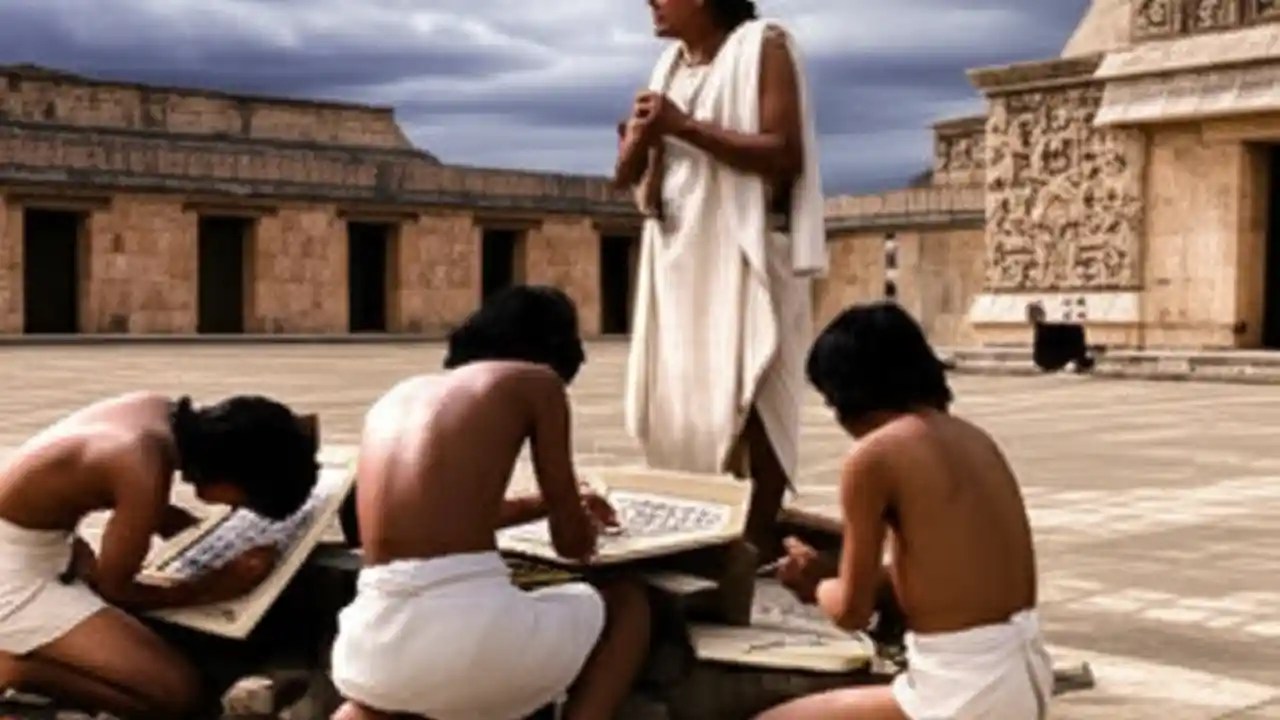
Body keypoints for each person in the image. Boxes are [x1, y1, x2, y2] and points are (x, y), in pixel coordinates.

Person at [329, 285, 651, 720]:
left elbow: (442, 513)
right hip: (472, 644)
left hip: (367, 649)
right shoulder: (538, 382)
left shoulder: (397, 395)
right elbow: (572, 545)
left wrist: (541, 504)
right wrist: (575, 515)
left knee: (382, 697)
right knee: (628, 604)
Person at [757, 302, 1052, 720]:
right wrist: (835, 572)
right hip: (1023, 677)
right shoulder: (974, 438)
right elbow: (950, 575)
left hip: (963, 691)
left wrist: (814, 584)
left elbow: (851, 612)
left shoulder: (874, 455)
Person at [617, 0, 828, 561]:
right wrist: (639, 138)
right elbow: (628, 177)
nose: (651, 2)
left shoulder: (764, 45)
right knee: (680, 395)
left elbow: (784, 153)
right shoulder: (668, 70)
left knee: (756, 386)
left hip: (745, 247)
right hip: (680, 253)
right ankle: (696, 530)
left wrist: (680, 125)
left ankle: (755, 546)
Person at [0, 392, 319, 718]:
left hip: (39, 544)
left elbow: (107, 485)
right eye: (244, 502)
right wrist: (215, 586)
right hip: (12, 576)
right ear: (234, 471)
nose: (234, 509)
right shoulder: (141, 465)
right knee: (178, 696)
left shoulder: (158, 414)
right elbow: (115, 589)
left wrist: (194, 533)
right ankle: (16, 668)